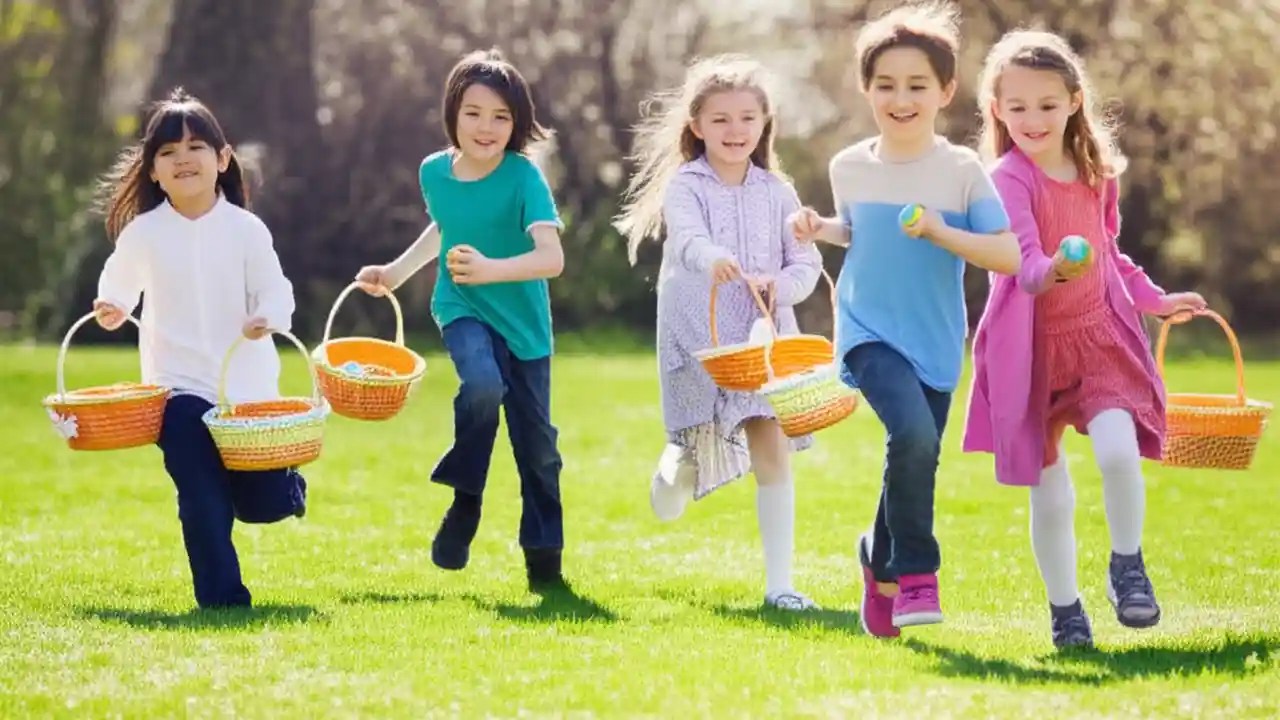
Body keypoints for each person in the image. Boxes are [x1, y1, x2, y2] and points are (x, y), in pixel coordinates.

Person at [963, 29, 1206, 648]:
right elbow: (1019, 259)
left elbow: (1110, 253)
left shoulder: (1096, 173)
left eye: (1046, 104)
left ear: (1074, 100)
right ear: (995, 109)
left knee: (1119, 453)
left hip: (1098, 339)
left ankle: (1128, 566)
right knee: (1050, 491)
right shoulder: (1007, 179)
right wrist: (1053, 271)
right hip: (1033, 351)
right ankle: (1066, 611)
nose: (1031, 119)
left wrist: (1156, 299)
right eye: (1016, 107)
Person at [790, 2, 1019, 636]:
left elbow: (1006, 252)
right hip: (867, 331)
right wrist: (820, 228)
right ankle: (918, 573)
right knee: (913, 437)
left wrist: (944, 231)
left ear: (945, 91)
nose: (901, 98)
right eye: (885, 84)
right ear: (867, 89)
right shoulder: (850, 166)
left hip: (936, 341)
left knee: (915, 453)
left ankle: (877, 560)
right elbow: (858, 233)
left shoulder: (961, 171)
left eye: (917, 85)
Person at [614, 54, 824, 610]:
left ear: (764, 123)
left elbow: (805, 264)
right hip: (697, 326)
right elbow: (684, 239)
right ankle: (677, 463)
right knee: (693, 430)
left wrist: (781, 285)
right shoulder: (687, 183)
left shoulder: (778, 191)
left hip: (762, 336)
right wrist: (715, 258)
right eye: (722, 119)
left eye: (747, 118)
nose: (736, 130)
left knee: (770, 449)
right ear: (697, 125)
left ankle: (780, 586)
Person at [354, 49, 569, 591]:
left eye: (501, 117)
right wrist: (396, 272)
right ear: (452, 112)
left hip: (525, 328)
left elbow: (552, 259)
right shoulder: (434, 172)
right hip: (462, 307)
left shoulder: (524, 179)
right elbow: (443, 228)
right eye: (474, 112)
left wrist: (493, 269)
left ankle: (544, 560)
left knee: (538, 449)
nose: (486, 127)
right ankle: (466, 500)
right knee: (480, 384)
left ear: (517, 123)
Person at [93, 88, 307, 609]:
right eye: (167, 152)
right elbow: (118, 282)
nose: (182, 158)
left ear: (222, 159)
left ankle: (287, 487)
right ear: (152, 171)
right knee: (200, 494)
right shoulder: (145, 233)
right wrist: (113, 305)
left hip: (247, 392)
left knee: (260, 503)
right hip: (178, 389)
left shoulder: (245, 230)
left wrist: (268, 318)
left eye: (195, 147)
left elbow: (277, 290)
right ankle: (222, 598)